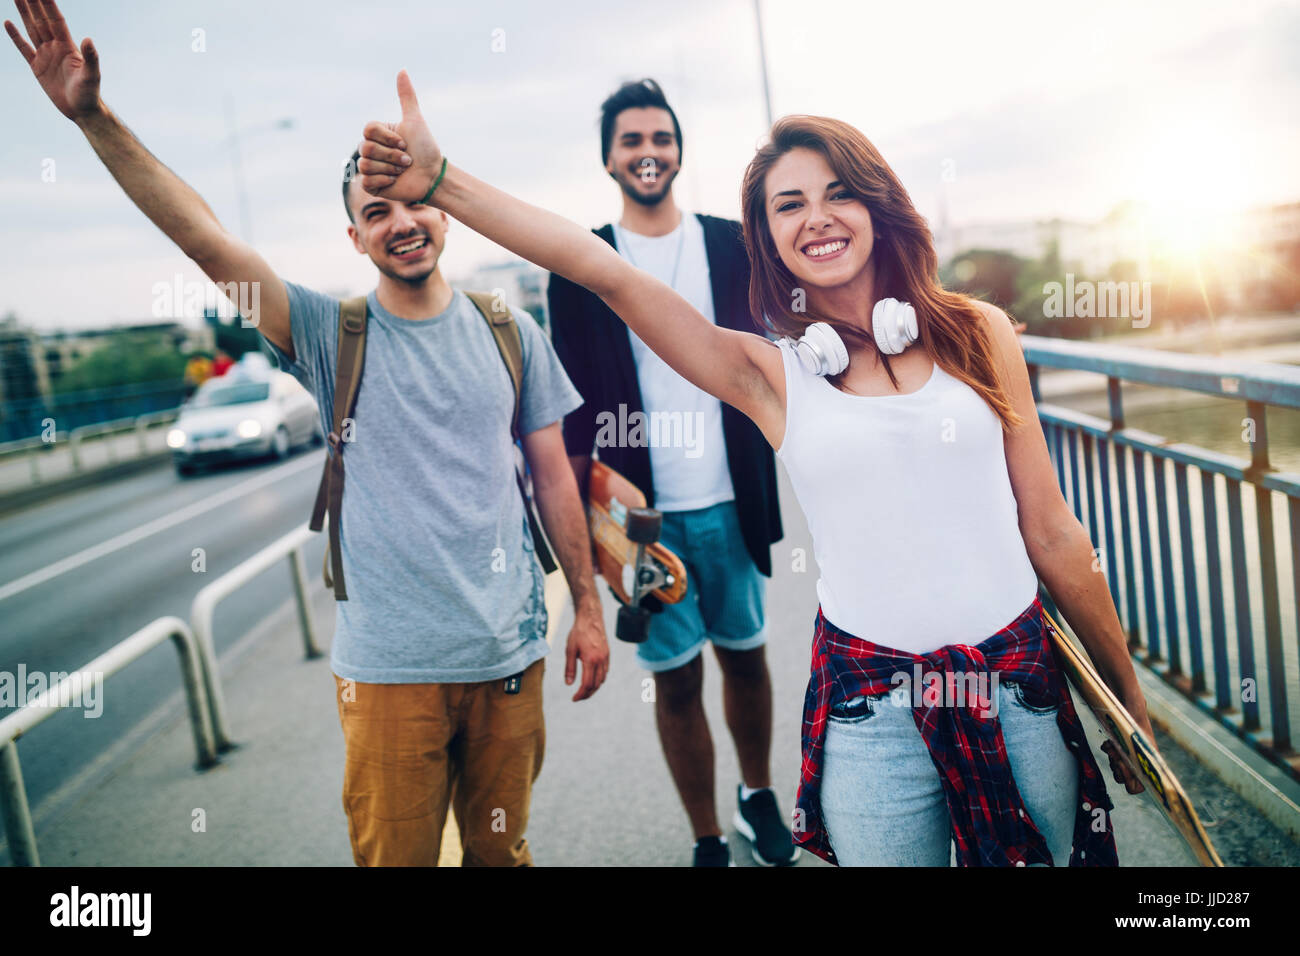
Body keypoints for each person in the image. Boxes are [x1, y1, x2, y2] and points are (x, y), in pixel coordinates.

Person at [355, 70, 1160, 867]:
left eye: (839, 192)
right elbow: (600, 271)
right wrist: (445, 185)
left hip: (1017, 687)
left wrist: (1132, 703)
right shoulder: (772, 374)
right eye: (789, 204)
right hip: (871, 709)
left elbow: (1054, 532)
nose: (818, 218)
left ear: (876, 203)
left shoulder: (980, 334)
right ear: (766, 236)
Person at [7, 0, 609, 868]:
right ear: (356, 238)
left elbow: (552, 477)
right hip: (391, 674)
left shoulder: (510, 330)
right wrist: (95, 119)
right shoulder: (330, 337)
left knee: (501, 860)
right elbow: (205, 242)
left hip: (510, 658)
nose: (400, 220)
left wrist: (586, 607)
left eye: (411, 201)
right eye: (376, 212)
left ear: (441, 210)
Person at [547, 79, 791, 867]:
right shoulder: (584, 264)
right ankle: (707, 838)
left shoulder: (731, 244)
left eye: (660, 138)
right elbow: (573, 406)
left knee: (747, 656)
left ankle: (757, 799)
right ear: (608, 159)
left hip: (731, 499)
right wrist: (592, 507)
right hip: (643, 518)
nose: (648, 153)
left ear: (678, 150)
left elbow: (791, 341)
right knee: (676, 682)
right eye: (631, 141)